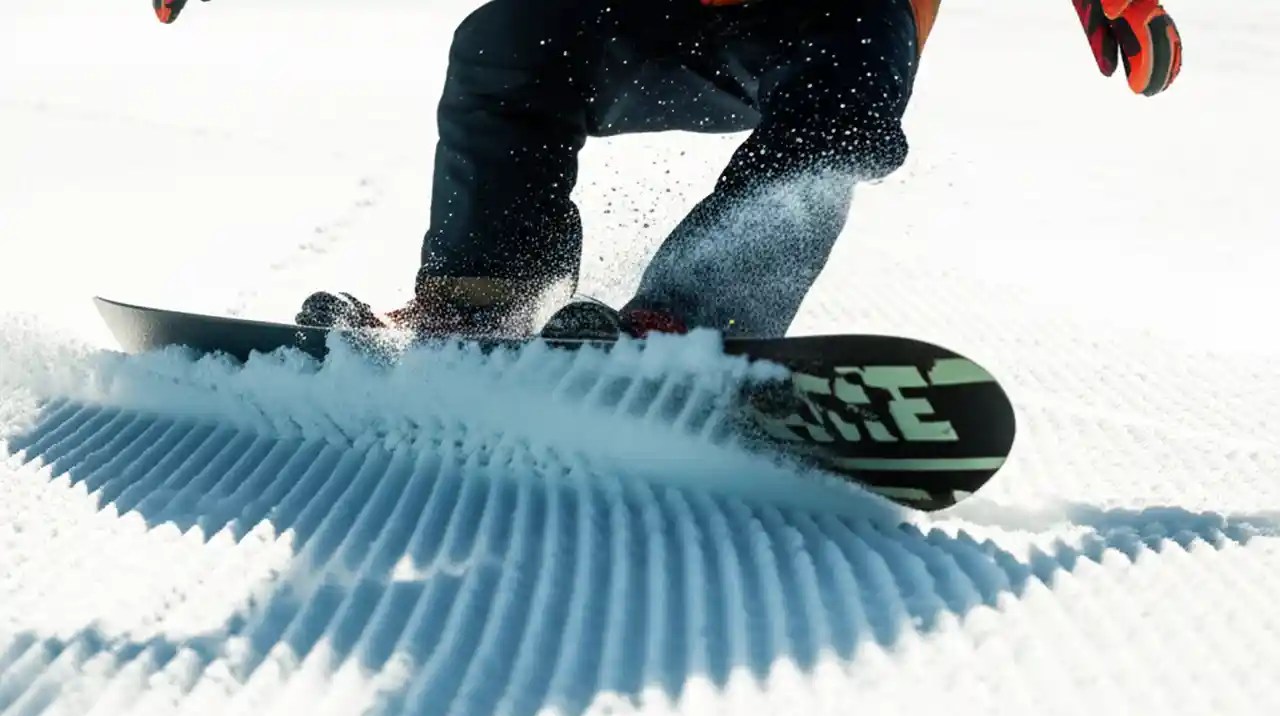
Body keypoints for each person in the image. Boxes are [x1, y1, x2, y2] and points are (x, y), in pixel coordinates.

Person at [153, 0, 1182, 339]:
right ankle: (482, 297)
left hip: (819, 30)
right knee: (505, 49)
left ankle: (687, 321)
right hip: (641, 20)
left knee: (847, 101)